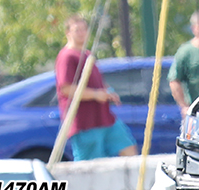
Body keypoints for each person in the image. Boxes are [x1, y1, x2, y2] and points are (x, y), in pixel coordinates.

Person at [55, 15, 138, 160]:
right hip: (85, 121)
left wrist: (107, 92)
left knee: (128, 148)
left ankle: (125, 183)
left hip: (104, 117)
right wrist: (95, 94)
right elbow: (66, 88)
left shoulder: (87, 54)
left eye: (83, 29)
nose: (81, 33)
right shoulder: (67, 56)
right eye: (76, 30)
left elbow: (94, 82)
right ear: (68, 33)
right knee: (89, 164)